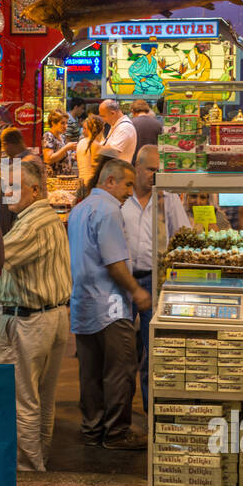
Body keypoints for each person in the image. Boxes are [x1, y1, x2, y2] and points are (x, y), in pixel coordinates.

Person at [68, 157, 151, 450]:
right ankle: (116, 433)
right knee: (120, 370)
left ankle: (93, 429)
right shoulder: (109, 210)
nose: (130, 191)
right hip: (110, 306)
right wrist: (137, 292)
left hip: (84, 303)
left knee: (90, 372)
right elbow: (115, 262)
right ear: (110, 181)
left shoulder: (79, 210)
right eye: (127, 184)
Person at [0, 158, 72, 471]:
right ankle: (40, 457)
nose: (6, 194)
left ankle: (28, 468)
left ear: (36, 189)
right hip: (52, 318)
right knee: (43, 398)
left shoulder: (31, 224)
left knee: (23, 400)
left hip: (31, 321)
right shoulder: (47, 218)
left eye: (13, 188)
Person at [121, 145, 189, 410]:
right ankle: (121, 416)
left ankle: (152, 412)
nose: (155, 175)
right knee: (124, 352)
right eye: (151, 169)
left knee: (154, 350)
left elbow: (181, 236)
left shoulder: (169, 198)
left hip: (154, 281)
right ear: (137, 167)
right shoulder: (121, 197)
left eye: (160, 170)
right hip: (122, 282)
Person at [97, 96, 137, 163]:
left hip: (119, 171)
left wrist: (94, 147)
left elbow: (112, 152)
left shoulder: (125, 127)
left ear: (113, 113)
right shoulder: (115, 125)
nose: (103, 120)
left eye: (103, 116)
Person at [76, 113, 105, 190]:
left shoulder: (81, 142)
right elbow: (95, 169)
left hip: (81, 183)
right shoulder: (95, 145)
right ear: (102, 129)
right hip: (91, 185)